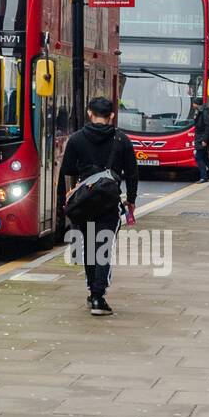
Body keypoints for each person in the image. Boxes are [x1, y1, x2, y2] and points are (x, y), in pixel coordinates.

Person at [58, 96, 139, 316]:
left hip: (83, 203)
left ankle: (93, 291)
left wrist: (65, 202)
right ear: (112, 115)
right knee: (103, 248)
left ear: (89, 113)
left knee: (89, 248)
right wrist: (131, 200)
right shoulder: (121, 140)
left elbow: (67, 172)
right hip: (109, 203)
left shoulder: (75, 140)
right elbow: (132, 173)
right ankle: (98, 296)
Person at [190, 98, 209, 182]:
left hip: (202, 138)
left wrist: (204, 140)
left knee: (198, 157)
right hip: (200, 137)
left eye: (193, 103)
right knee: (204, 157)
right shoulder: (199, 111)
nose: (192, 105)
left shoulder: (204, 112)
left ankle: (203, 176)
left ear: (196, 104)